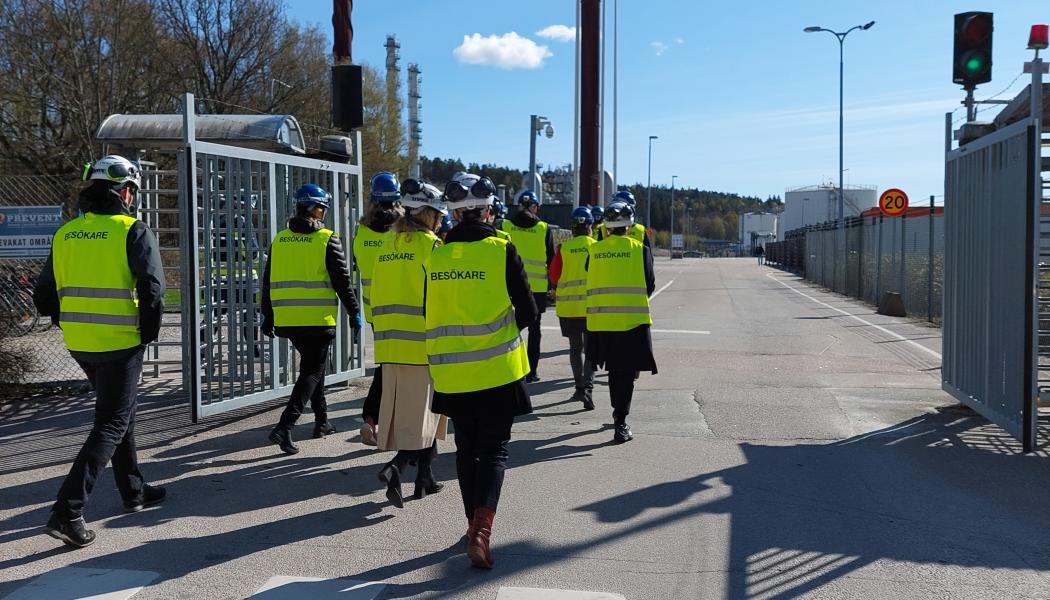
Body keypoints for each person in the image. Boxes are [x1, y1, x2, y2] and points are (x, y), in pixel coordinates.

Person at [33, 155, 166, 548]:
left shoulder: (66, 233)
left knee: (119, 413)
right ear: (125, 191)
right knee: (111, 421)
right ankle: (67, 511)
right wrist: (148, 333)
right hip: (120, 341)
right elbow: (153, 290)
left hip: (79, 342)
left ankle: (133, 490)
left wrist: (68, 321)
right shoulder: (131, 229)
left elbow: (43, 295)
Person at [425, 174, 537, 569]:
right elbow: (528, 311)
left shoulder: (436, 255)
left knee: (466, 450)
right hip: (496, 372)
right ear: (488, 210)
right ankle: (482, 531)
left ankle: (471, 523)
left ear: (452, 214)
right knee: (494, 452)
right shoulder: (500, 249)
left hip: (452, 375)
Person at [262, 184, 361, 454]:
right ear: (315, 208)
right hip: (318, 319)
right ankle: (285, 425)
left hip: (289, 319)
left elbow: (267, 281)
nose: (324, 213)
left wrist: (267, 315)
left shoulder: (280, 239)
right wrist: (354, 312)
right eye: (323, 208)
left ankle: (322, 421)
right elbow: (343, 281)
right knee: (312, 371)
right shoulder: (327, 238)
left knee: (313, 368)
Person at [371, 178, 449, 507]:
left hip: (390, 343)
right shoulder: (431, 246)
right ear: (427, 214)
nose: (442, 221)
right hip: (423, 342)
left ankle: (424, 478)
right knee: (428, 413)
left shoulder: (388, 244)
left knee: (424, 414)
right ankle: (397, 467)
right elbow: (441, 296)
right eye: (439, 215)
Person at [585, 201, 657, 444]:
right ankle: (621, 421)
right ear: (630, 225)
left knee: (614, 372)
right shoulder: (640, 249)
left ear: (606, 226)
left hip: (600, 322)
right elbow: (650, 285)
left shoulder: (594, 250)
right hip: (631, 321)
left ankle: (616, 413)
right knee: (624, 374)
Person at [353, 172, 403, 446]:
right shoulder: (402, 232)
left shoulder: (361, 232)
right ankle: (376, 417)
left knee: (387, 365)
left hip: (375, 312)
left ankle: (374, 419)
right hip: (405, 310)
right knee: (399, 369)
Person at [501, 189, 553, 383]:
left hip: (509, 285)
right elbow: (551, 257)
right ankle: (531, 371)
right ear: (534, 207)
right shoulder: (543, 228)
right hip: (536, 288)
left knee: (510, 328)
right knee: (535, 329)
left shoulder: (506, 225)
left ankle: (511, 369)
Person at [549, 206, 597, 410]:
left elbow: (553, 276)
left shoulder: (563, 248)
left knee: (575, 349)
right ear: (589, 226)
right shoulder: (596, 247)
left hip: (568, 308)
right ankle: (587, 388)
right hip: (590, 308)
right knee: (591, 351)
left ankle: (578, 388)